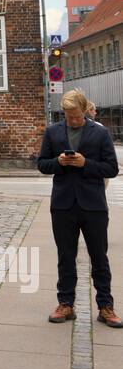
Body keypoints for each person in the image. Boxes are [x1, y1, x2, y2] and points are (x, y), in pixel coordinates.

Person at [38, 88, 122, 327]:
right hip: (63, 205)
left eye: (76, 116)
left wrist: (86, 164)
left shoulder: (100, 133)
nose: (72, 120)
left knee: (99, 258)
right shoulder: (53, 132)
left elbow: (112, 169)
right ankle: (66, 304)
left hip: (93, 206)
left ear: (84, 110)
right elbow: (42, 164)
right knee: (66, 257)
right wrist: (58, 162)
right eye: (68, 116)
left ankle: (105, 307)